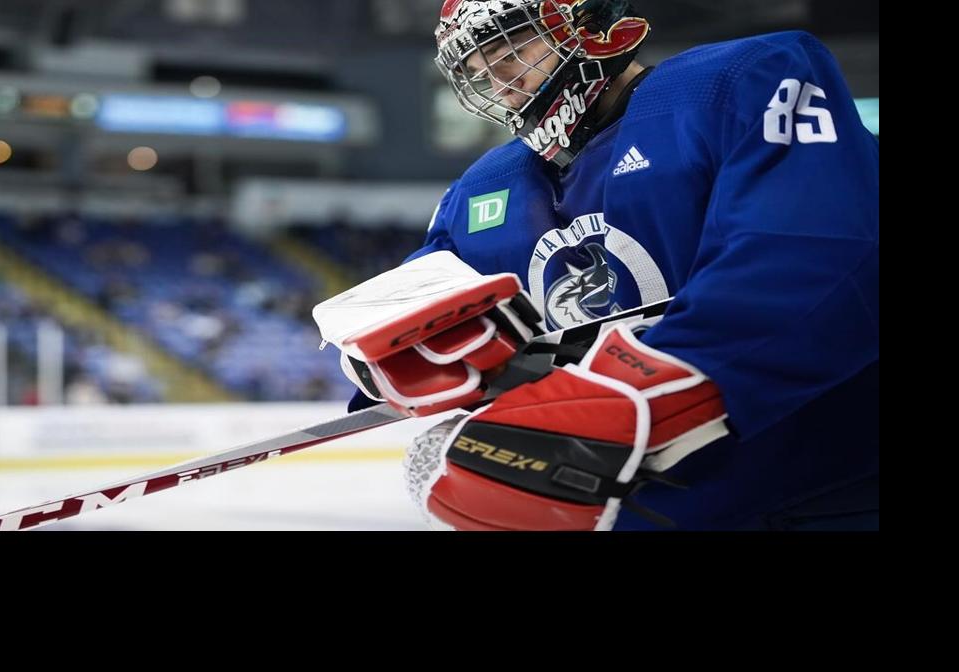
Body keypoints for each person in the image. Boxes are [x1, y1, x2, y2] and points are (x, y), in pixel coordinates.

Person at [314, 0, 878, 531]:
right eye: (480, 65)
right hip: (654, 500)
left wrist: (658, 384)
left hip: (837, 479)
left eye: (511, 48)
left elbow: (815, 248)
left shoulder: (733, 85)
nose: (497, 80)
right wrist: (385, 365)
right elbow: (428, 309)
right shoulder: (483, 189)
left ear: (599, 30)